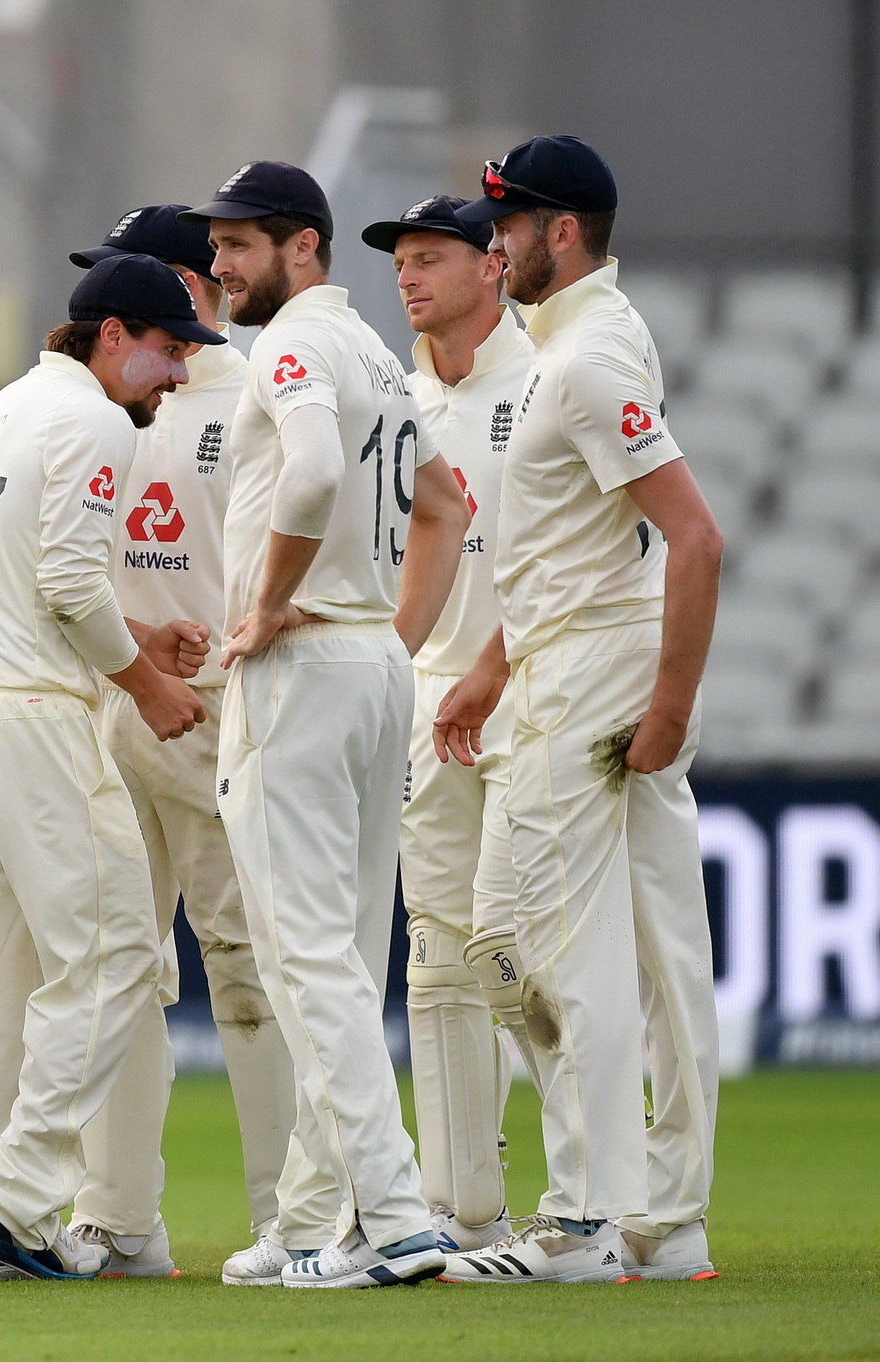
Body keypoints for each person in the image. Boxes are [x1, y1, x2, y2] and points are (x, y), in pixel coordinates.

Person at [0, 252, 215, 1281]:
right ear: (112, 336)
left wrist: (137, 637)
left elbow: (20, 564)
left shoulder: (14, 403)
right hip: (30, 718)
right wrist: (146, 686)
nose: (177, 375)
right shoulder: (96, 422)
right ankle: (14, 1200)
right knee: (119, 956)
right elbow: (69, 582)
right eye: (167, 350)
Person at [438, 135, 723, 1285]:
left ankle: (584, 1219)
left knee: (544, 947)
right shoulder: (598, 337)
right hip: (580, 653)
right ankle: (664, 1215)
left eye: (506, 224)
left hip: (591, 672)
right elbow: (579, 545)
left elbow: (695, 537)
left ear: (561, 230)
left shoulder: (584, 359)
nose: (490, 245)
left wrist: (667, 707)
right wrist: (495, 664)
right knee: (649, 945)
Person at [187, 160, 470, 1289]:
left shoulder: (294, 346)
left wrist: (266, 603)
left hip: (300, 672)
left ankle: (394, 1221)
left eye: (238, 244)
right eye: (216, 244)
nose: (219, 264)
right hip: (369, 666)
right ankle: (312, 1220)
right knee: (342, 956)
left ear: (302, 245)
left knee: (307, 958)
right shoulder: (376, 354)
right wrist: (389, 637)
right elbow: (446, 507)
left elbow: (307, 475)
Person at [58, 206, 295, 1278]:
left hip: (218, 709)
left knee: (245, 969)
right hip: (115, 703)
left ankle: (288, 1217)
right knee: (118, 965)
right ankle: (119, 1220)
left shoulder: (253, 394)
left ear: (185, 283)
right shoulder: (94, 401)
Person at [359, 193, 536, 1255]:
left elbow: (592, 560)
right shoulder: (395, 397)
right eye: (399, 262)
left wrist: (495, 664)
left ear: (492, 264)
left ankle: (596, 1198)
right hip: (426, 701)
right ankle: (462, 1207)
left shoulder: (548, 380)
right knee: (434, 958)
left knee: (522, 955)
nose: (408, 276)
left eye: (430, 257)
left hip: (535, 697)